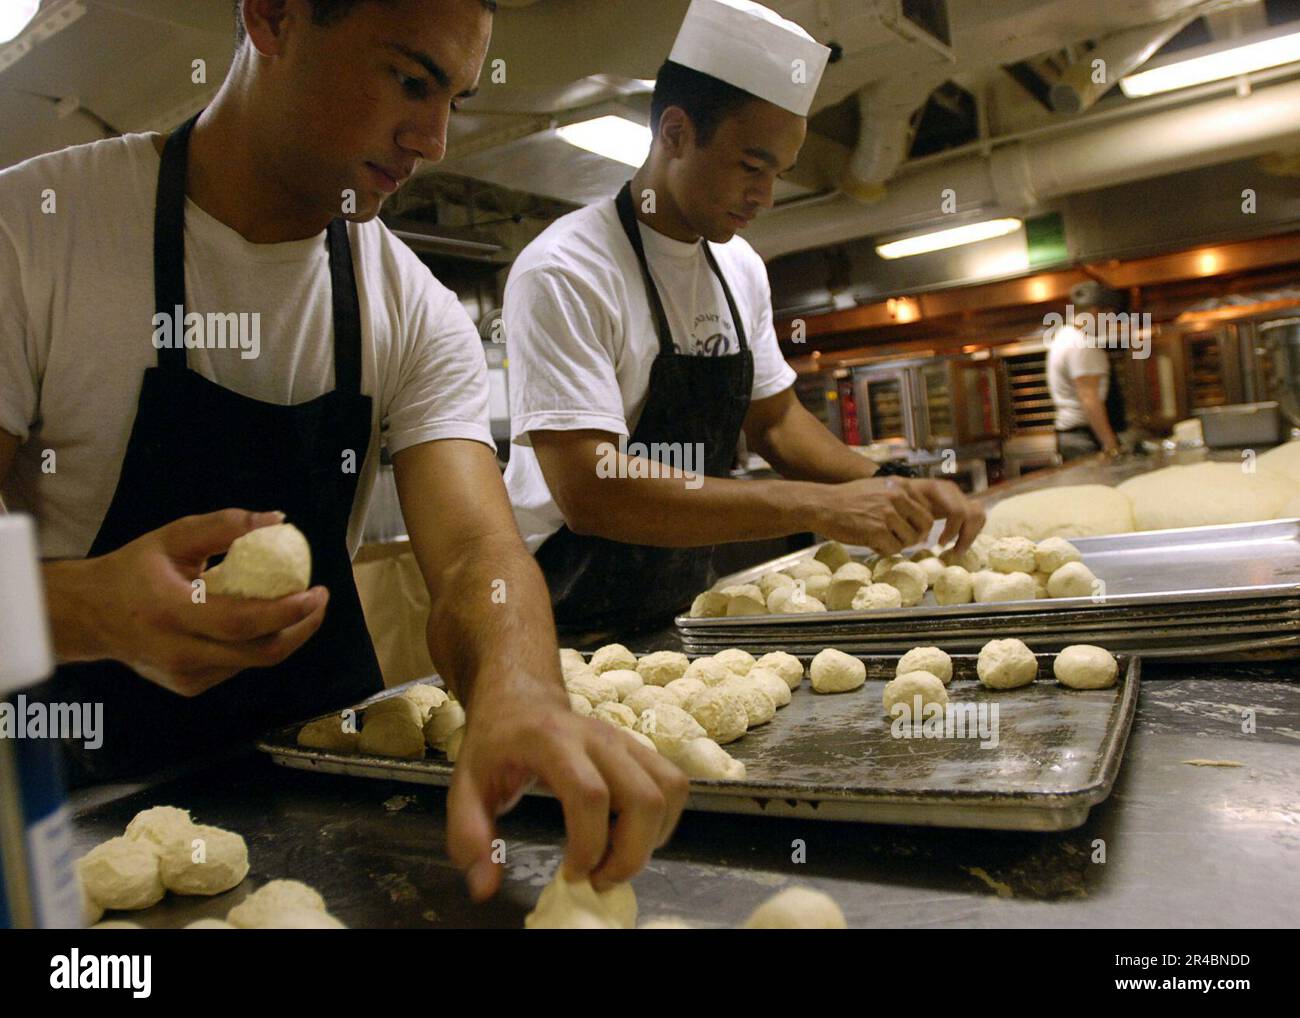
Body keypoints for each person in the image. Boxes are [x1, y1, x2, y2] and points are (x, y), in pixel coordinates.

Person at [0, 0, 685, 900]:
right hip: (73, 820)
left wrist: (517, 689)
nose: (435, 138)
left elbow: (479, 553)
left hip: (324, 815)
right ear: (274, 18)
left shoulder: (411, 305)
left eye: (457, 98)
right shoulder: (35, 232)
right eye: (409, 79)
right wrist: (88, 608)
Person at [503, 0, 985, 631]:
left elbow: (776, 422)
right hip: (559, 609)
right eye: (751, 166)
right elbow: (593, 489)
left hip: (676, 600)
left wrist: (891, 484)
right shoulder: (566, 270)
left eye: (778, 173)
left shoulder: (740, 268)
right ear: (675, 133)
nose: (765, 196)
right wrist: (818, 506)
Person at [1047, 281, 1127, 461]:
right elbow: (1089, 397)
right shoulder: (1082, 345)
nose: (1111, 323)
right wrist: (1111, 444)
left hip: (1071, 436)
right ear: (1095, 313)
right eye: (1111, 316)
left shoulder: (1064, 336)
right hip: (1084, 438)